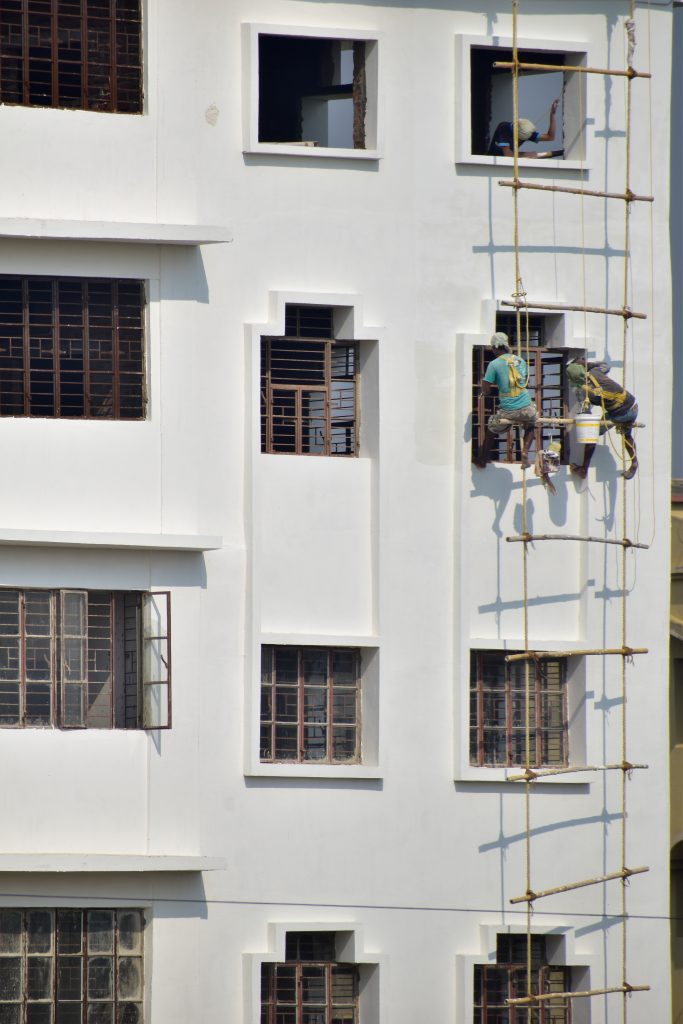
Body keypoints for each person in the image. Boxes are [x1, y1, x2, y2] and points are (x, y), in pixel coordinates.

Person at [566, 359, 639, 480]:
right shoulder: (595, 372)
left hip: (618, 414)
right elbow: (606, 365)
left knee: (592, 434)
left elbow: (586, 412)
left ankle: (583, 469)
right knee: (627, 436)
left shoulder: (582, 392)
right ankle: (634, 462)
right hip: (633, 407)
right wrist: (587, 364)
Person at [474, 332, 537, 469]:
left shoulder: (494, 364)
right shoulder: (520, 360)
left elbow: (486, 388)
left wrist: (485, 392)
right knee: (531, 424)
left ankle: (483, 459)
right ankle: (525, 452)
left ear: (496, 347)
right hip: (527, 406)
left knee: (492, 427)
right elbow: (526, 382)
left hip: (509, 410)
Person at [488, 99, 562, 158]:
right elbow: (508, 155)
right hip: (492, 162)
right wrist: (527, 154)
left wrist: (552, 114)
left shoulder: (526, 131)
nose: (521, 141)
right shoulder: (504, 128)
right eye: (521, 140)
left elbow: (550, 137)